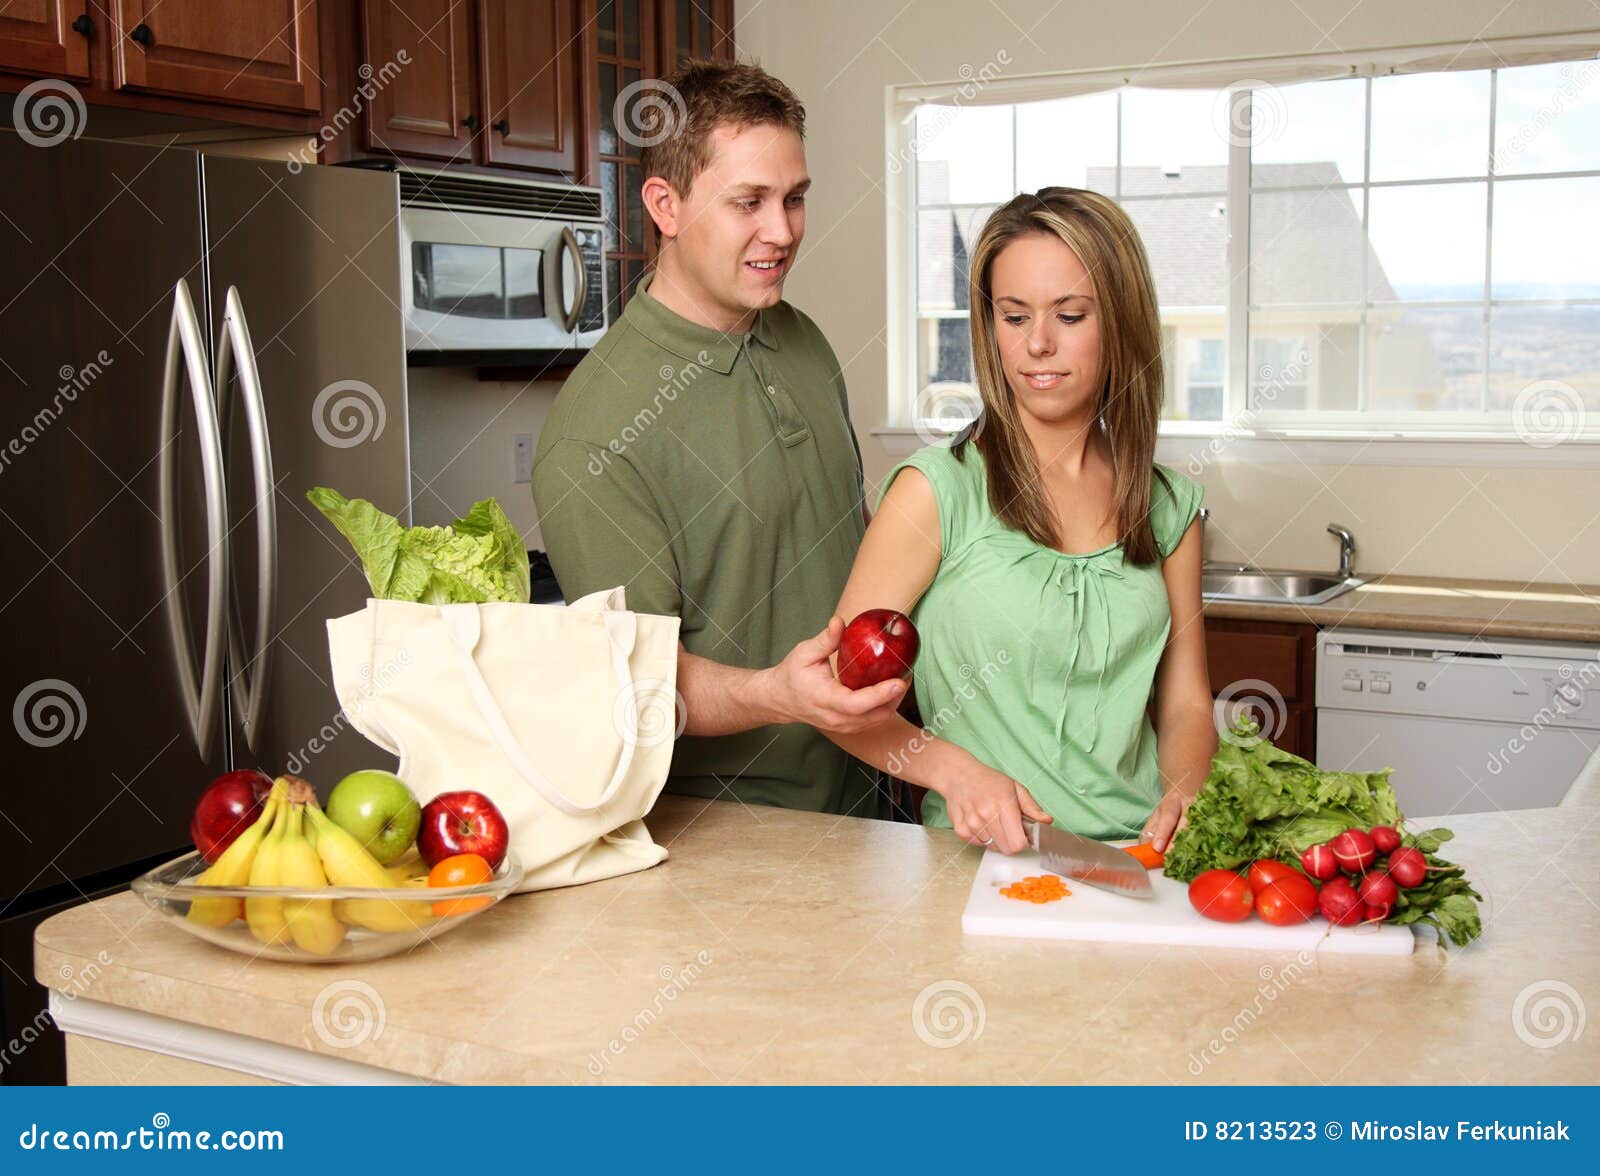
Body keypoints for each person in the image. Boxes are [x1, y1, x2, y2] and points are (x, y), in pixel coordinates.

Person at [532, 60, 904, 818]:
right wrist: (781, 694)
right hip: (734, 826)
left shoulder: (800, 337)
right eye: (749, 202)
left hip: (873, 794)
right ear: (665, 206)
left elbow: (851, 534)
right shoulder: (593, 438)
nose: (783, 231)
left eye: (794, 198)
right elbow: (641, 682)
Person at [824, 187, 1218, 855]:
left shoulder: (1169, 506)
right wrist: (953, 772)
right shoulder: (935, 492)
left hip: (1141, 862)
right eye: (1013, 317)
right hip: (980, 865)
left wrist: (1183, 794)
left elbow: (1186, 705)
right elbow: (837, 701)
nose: (1037, 344)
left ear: (1120, 322)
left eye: (1070, 315)